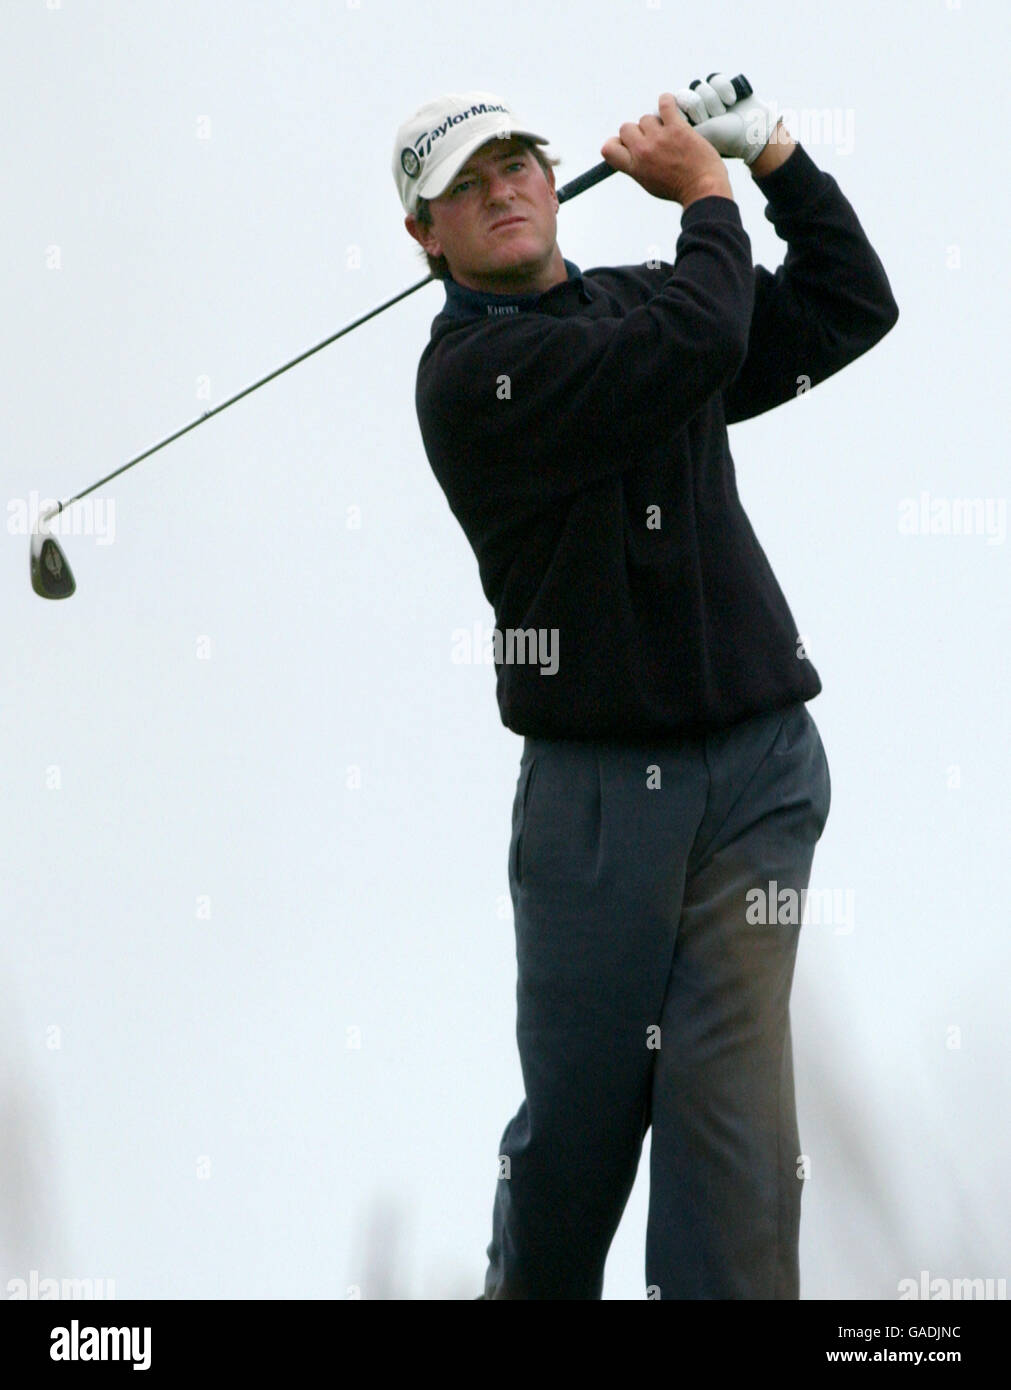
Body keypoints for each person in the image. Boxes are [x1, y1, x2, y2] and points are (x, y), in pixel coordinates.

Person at [392, 79, 898, 1300]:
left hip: (759, 770)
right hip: (598, 798)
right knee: (577, 1138)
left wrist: (772, 155)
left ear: (551, 179)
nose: (503, 192)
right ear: (425, 235)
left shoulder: (645, 304)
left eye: (517, 164)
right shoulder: (473, 378)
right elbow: (690, 345)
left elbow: (847, 304)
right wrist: (707, 197)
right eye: (467, 185)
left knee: (732, 1118)